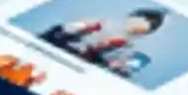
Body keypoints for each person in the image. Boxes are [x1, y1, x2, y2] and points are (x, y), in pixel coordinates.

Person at [38, 8, 166, 79]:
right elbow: (64, 29)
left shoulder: (135, 49)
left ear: (147, 32)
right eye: (138, 20)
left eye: (144, 26)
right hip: (61, 52)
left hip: (83, 71)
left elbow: (130, 67)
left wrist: (120, 65)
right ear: (131, 16)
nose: (136, 26)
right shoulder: (99, 23)